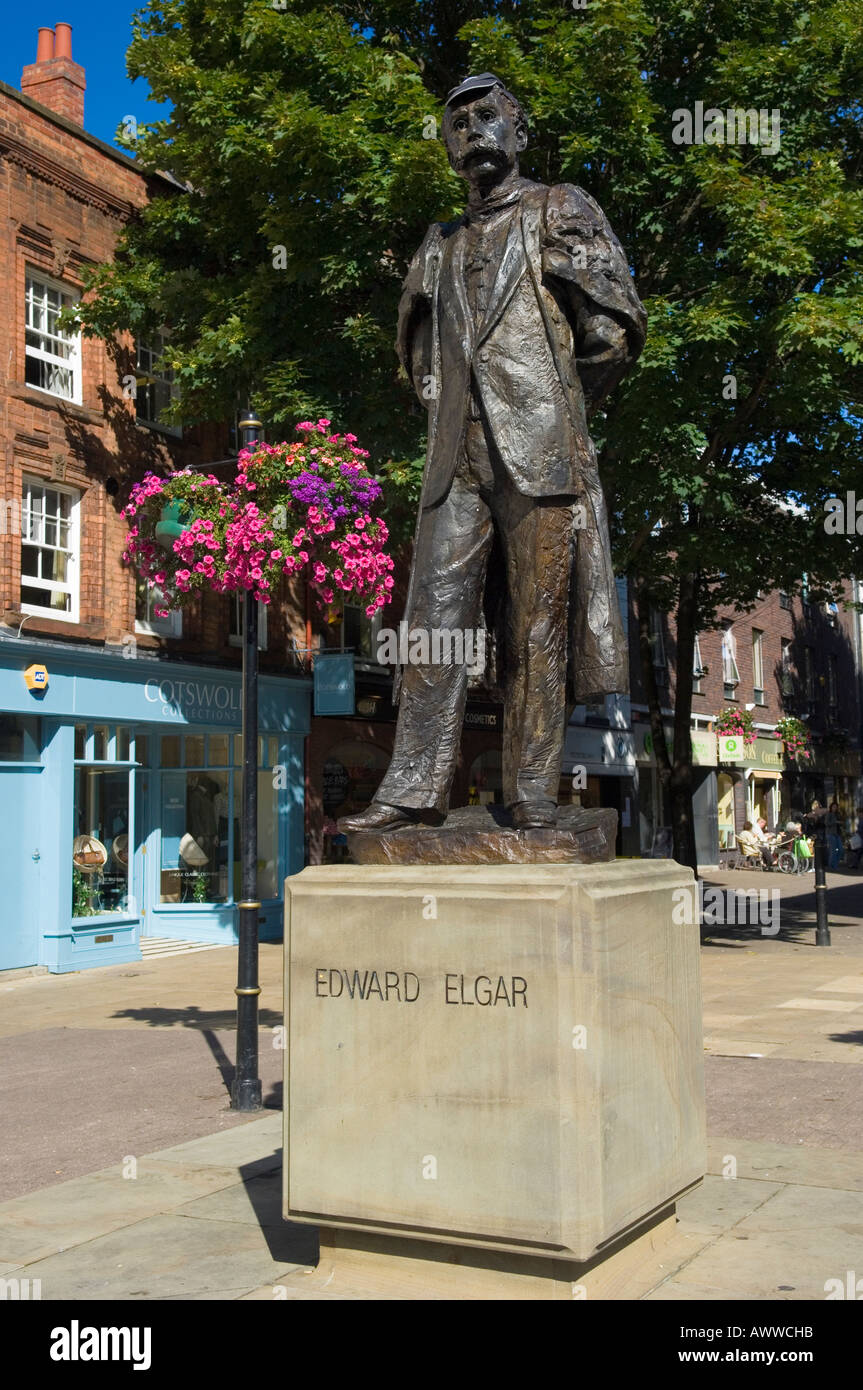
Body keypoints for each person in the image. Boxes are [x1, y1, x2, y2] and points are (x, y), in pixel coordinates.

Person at [340, 72, 646, 833]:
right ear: (445, 145)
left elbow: (613, 327)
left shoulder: (559, 207)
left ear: (518, 130)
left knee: (535, 626)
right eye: (457, 122)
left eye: (488, 117)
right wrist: (454, 409)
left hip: (540, 451)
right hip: (458, 458)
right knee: (433, 623)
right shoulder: (437, 244)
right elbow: (417, 357)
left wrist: (557, 401)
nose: (473, 131)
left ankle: (533, 789)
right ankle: (411, 787)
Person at [825, 800, 843, 870]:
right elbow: (826, 823)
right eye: (833, 807)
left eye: (836, 807)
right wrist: (835, 822)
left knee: (841, 850)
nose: (835, 808)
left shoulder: (838, 814)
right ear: (831, 807)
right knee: (833, 850)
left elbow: (841, 822)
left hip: (837, 834)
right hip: (830, 834)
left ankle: (833, 864)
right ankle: (833, 866)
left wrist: (840, 823)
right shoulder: (829, 814)